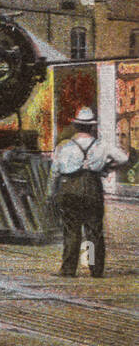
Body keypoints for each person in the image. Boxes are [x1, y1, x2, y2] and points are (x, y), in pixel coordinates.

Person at [49, 106, 129, 278]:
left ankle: (69, 269)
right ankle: (94, 268)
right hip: (92, 187)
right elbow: (124, 158)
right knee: (93, 230)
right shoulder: (102, 146)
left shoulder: (65, 147)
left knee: (71, 230)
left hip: (69, 188)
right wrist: (108, 167)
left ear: (76, 127)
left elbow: (55, 171)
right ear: (92, 127)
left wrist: (52, 193)